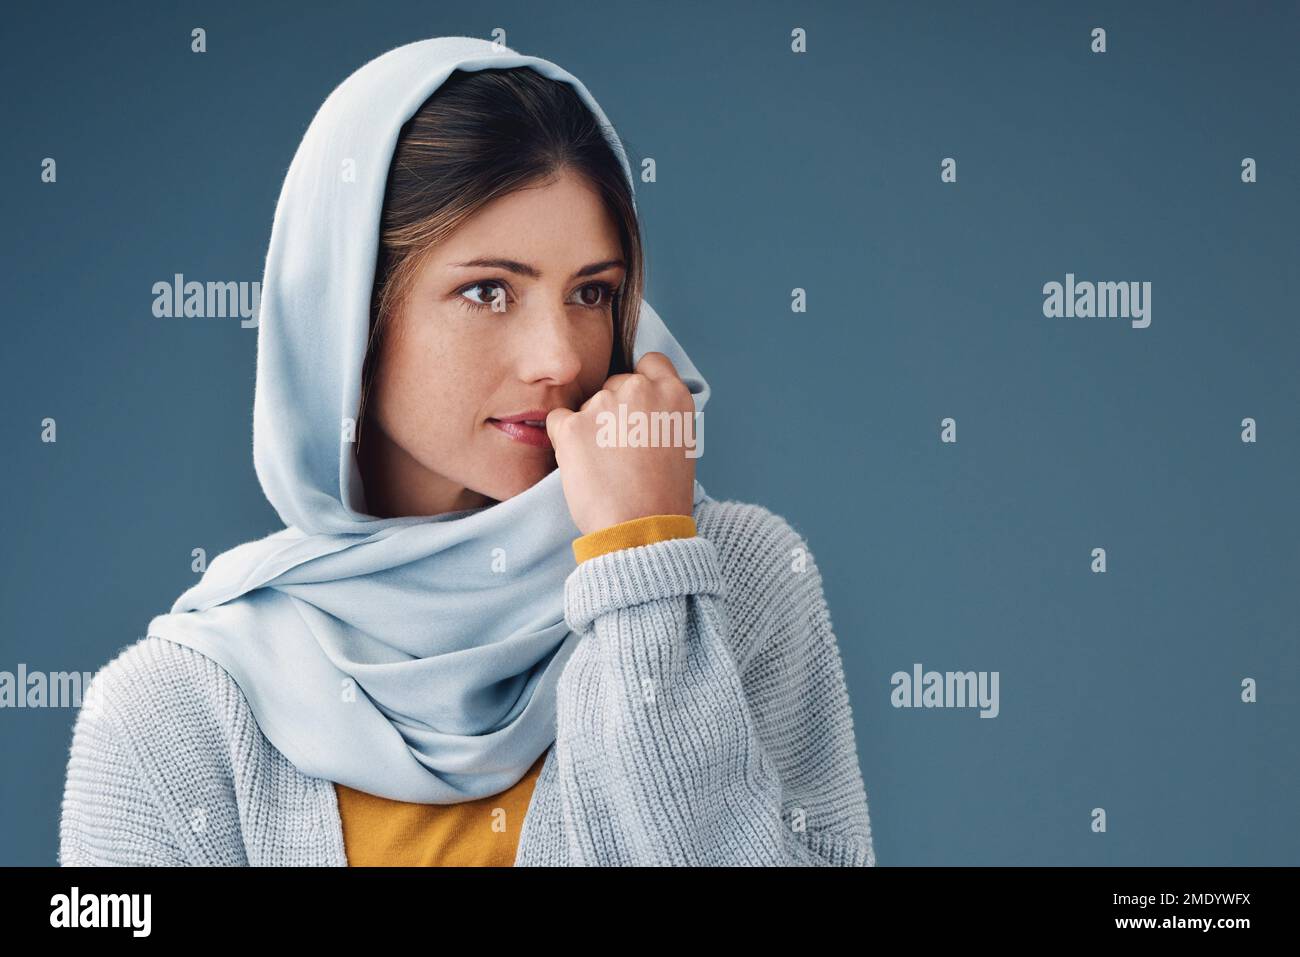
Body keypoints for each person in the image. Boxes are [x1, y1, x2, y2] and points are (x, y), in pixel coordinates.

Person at [57, 36, 877, 866]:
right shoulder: (173, 714)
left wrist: (644, 574)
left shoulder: (735, 582)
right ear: (351, 314)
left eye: (592, 293)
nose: (560, 357)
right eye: (489, 291)